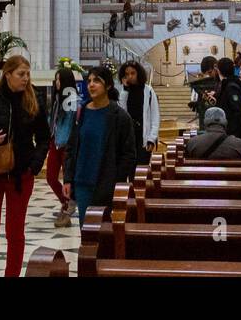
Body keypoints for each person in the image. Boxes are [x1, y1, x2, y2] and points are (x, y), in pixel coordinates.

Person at [0, 54, 50, 277]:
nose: (25, 78)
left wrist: (35, 165)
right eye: (21, 74)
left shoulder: (34, 102)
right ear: (8, 75)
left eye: (27, 74)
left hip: (20, 176)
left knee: (15, 233)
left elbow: (44, 137)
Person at [63, 66, 135, 226]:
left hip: (106, 184)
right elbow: (71, 147)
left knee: (105, 233)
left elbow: (128, 154)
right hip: (82, 183)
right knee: (87, 232)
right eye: (89, 81)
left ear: (108, 86)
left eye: (97, 81)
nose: (91, 85)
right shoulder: (81, 113)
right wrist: (68, 178)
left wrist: (116, 180)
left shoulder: (120, 117)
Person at [47, 68, 78, 227]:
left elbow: (68, 123)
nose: (57, 82)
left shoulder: (71, 99)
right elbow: (53, 120)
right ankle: (67, 203)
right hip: (54, 142)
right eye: (56, 79)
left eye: (60, 80)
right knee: (51, 177)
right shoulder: (57, 98)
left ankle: (67, 207)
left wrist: (62, 141)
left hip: (65, 144)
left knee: (67, 179)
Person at [117, 60, 159, 166]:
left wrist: (152, 138)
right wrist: (125, 90)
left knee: (141, 170)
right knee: (130, 170)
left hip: (143, 138)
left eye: (132, 73)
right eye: (127, 74)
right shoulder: (124, 92)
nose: (130, 76)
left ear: (138, 73)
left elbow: (155, 116)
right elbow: (122, 112)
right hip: (129, 137)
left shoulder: (148, 91)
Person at [214, 57, 241, 141]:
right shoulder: (227, 84)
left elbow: (238, 111)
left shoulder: (231, 87)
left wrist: (232, 133)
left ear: (219, 71)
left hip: (233, 135)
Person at [189, 55, 219, 122]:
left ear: (216, 67)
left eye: (210, 72)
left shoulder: (222, 82)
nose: (209, 76)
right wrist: (197, 104)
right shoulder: (206, 82)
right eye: (206, 74)